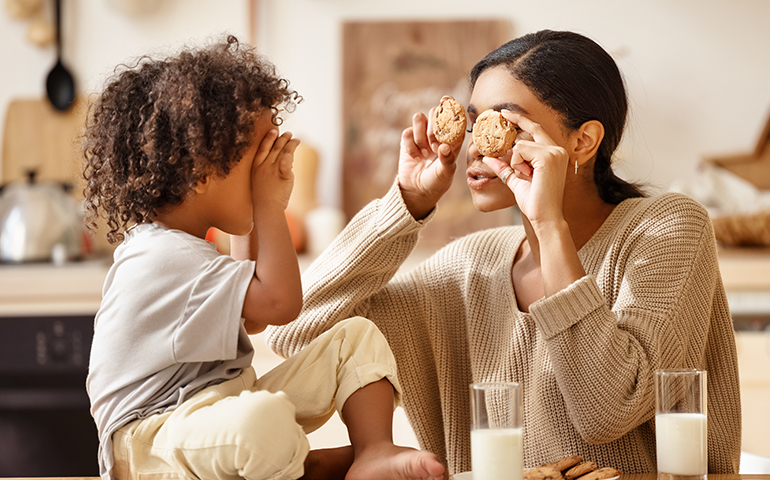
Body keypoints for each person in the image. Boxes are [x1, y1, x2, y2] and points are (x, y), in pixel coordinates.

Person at [266, 30, 742, 475]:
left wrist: (548, 224)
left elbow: (607, 410)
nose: (476, 146)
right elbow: (296, 331)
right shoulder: (470, 265)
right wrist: (407, 202)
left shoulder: (666, 227)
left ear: (583, 141)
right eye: (474, 124)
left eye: (505, 124)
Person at [83, 36, 446, 480]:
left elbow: (252, 318)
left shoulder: (182, 249)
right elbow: (279, 304)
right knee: (261, 419)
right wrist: (269, 206)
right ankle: (309, 467)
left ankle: (373, 452)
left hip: (215, 409)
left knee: (354, 338)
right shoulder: (163, 257)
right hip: (151, 442)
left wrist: (258, 210)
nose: (268, 172)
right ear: (201, 172)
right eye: (259, 159)